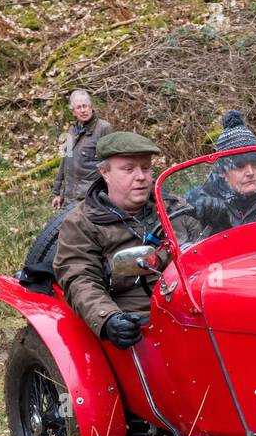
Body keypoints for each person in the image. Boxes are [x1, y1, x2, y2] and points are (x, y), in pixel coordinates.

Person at [53, 131, 186, 349]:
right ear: (105, 173)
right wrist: (108, 318)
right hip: (136, 320)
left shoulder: (175, 209)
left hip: (188, 308)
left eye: (146, 167)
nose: (141, 176)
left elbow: (204, 251)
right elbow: (79, 278)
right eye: (128, 169)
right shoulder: (81, 223)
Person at [185, 110, 256, 235]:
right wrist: (212, 224)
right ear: (223, 172)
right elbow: (190, 249)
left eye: (255, 164)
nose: (250, 172)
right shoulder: (201, 204)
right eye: (240, 166)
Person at [51, 90, 114, 210]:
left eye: (85, 106)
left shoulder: (104, 128)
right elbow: (65, 163)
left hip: (92, 199)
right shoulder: (71, 130)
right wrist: (58, 193)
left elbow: (112, 164)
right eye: (78, 107)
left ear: (91, 107)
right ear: (73, 112)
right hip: (70, 198)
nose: (83, 110)